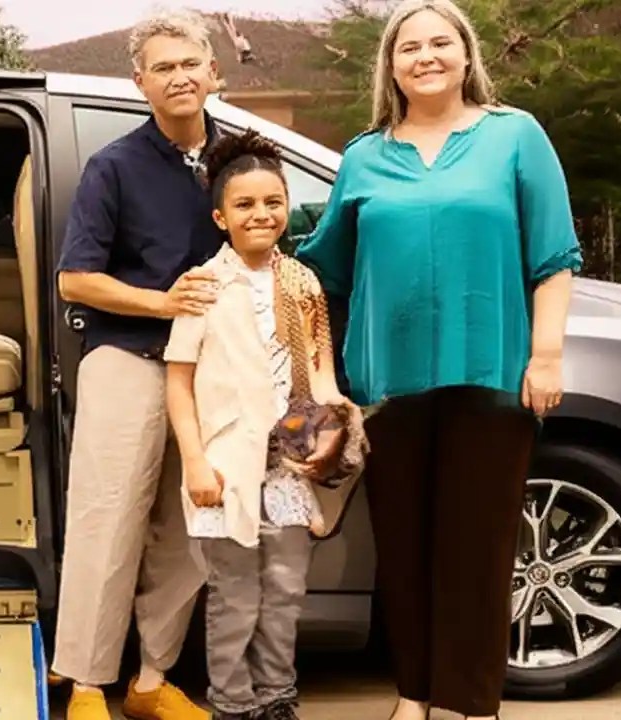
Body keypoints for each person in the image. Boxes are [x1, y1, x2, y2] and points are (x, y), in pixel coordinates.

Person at [293, 1, 585, 719]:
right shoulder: (364, 154)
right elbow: (322, 269)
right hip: (386, 385)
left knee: (478, 550)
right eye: (409, 47)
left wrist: (545, 356)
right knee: (404, 549)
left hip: (490, 375)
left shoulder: (514, 136)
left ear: (465, 55)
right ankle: (414, 696)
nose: (425, 56)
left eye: (439, 43)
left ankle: (471, 703)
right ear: (389, 65)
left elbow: (554, 257)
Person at [50, 9, 227, 720]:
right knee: (107, 521)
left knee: (188, 533)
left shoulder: (239, 159)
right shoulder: (112, 167)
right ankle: (88, 684)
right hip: (128, 355)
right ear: (140, 83)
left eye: (190, 64)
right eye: (163, 68)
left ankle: (151, 681)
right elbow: (74, 280)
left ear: (214, 72)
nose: (179, 77)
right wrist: (163, 303)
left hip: (212, 372)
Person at [163, 129, 366, 720]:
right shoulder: (203, 286)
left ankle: (277, 697)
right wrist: (195, 462)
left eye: (273, 202)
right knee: (234, 593)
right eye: (245, 205)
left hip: (288, 468)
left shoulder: (304, 285)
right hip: (226, 464)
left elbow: (322, 376)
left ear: (287, 207)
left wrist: (333, 437)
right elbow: (178, 381)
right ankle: (231, 703)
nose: (262, 214)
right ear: (221, 217)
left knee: (285, 589)